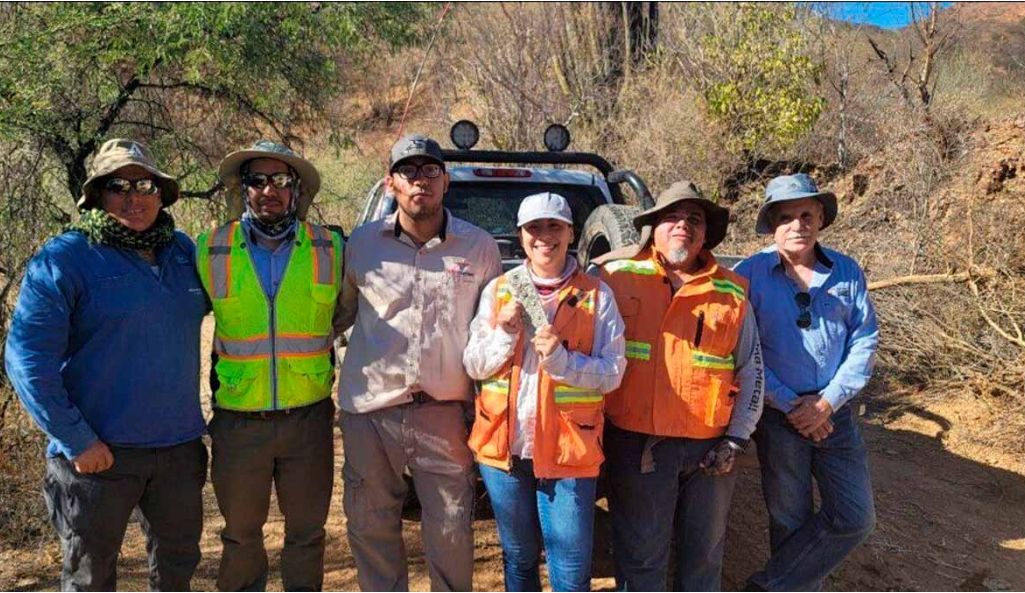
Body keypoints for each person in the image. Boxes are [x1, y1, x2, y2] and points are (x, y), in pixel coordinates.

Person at [4, 138, 208, 591]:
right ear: (96, 194)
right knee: (90, 578)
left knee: (177, 570)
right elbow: (25, 359)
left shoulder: (184, 253)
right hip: (97, 459)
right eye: (118, 185)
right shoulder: (64, 258)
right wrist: (77, 440)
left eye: (145, 185)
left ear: (162, 193)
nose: (134, 197)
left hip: (178, 451)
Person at [335, 134, 502, 591]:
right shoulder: (361, 244)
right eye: (408, 171)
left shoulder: (480, 248)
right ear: (391, 183)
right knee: (371, 526)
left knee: (450, 529)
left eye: (430, 170)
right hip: (370, 411)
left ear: (446, 181)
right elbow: (338, 315)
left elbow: (495, 330)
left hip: (445, 414)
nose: (419, 181)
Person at [594, 180, 764, 591]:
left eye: (694, 219)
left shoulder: (732, 292)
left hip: (711, 450)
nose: (683, 225)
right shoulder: (613, 276)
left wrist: (737, 439)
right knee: (641, 558)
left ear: (706, 234)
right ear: (653, 227)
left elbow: (752, 370)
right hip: (637, 446)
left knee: (704, 558)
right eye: (672, 216)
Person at [196, 140, 343, 591]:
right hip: (239, 424)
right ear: (243, 189)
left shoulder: (331, 247)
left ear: (296, 189)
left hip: (309, 419)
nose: (268, 190)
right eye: (257, 180)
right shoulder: (209, 248)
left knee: (307, 536)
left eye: (280, 180)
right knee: (240, 537)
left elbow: (348, 313)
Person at [463, 192, 626, 592]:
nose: (544, 236)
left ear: (571, 232)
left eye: (554, 226)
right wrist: (503, 332)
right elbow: (474, 366)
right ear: (521, 237)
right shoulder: (499, 290)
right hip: (505, 451)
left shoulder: (598, 295)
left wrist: (564, 362)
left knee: (570, 572)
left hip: (570, 451)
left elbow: (614, 372)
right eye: (534, 228)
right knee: (518, 560)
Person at [735, 173, 878, 591]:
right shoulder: (749, 275)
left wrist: (827, 403)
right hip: (780, 420)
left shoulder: (846, 271)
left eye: (805, 214)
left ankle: (768, 587)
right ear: (771, 224)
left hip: (835, 416)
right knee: (788, 520)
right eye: (785, 217)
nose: (797, 224)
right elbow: (745, 351)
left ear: (820, 218)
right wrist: (790, 405)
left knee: (855, 516)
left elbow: (865, 340)